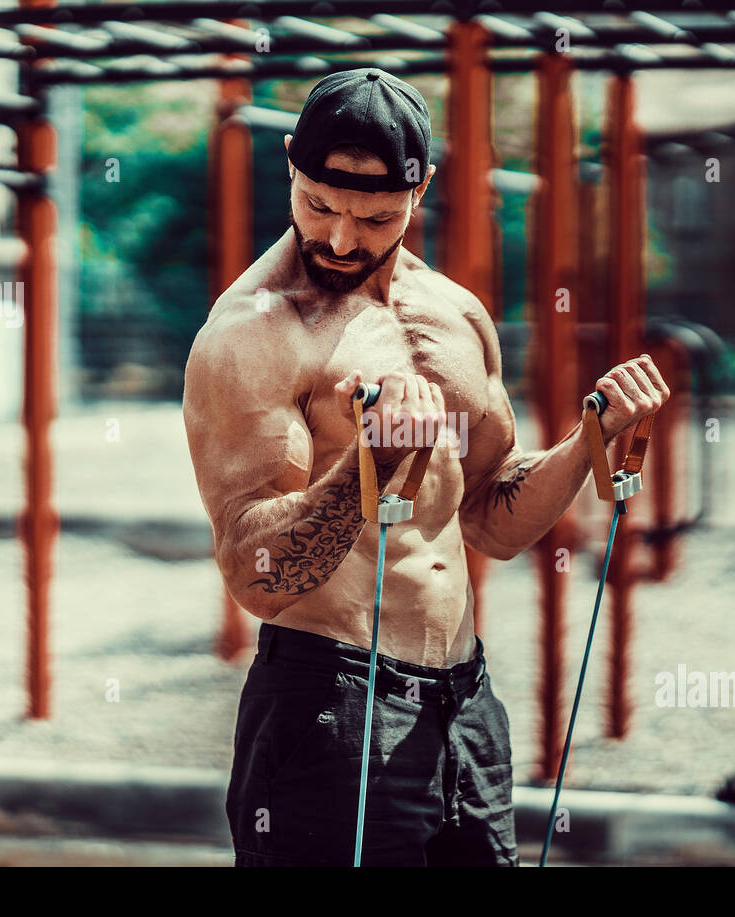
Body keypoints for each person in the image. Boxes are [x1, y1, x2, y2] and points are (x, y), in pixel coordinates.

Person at [182, 67, 669, 866]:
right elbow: (254, 571)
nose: (340, 239)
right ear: (292, 171)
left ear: (421, 192)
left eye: (374, 217)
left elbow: (492, 519)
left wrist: (593, 437)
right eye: (318, 206)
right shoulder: (251, 336)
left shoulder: (457, 314)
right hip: (329, 705)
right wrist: (367, 467)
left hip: (464, 703)